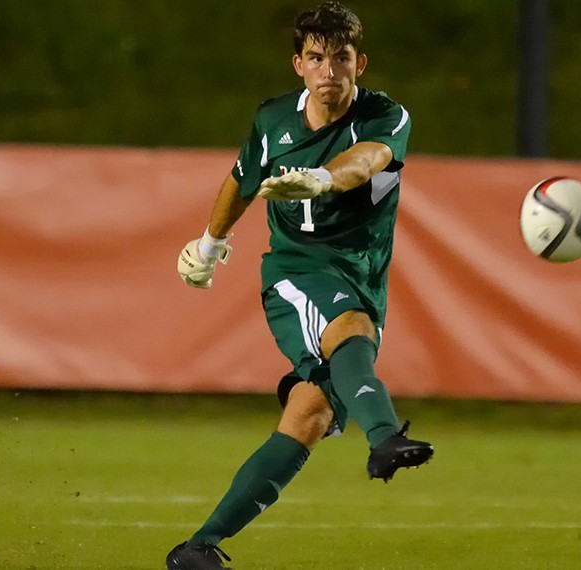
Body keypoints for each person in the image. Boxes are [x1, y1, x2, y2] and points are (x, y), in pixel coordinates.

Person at [167, 2, 433, 568]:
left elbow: (365, 161)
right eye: (317, 58)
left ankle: (197, 549)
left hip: (360, 275)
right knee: (349, 330)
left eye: (341, 58)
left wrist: (321, 178)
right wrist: (210, 243)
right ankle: (384, 435)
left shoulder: (385, 116)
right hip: (296, 270)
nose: (329, 70)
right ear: (298, 65)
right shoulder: (272, 122)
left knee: (308, 416)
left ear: (361, 63)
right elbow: (242, 179)